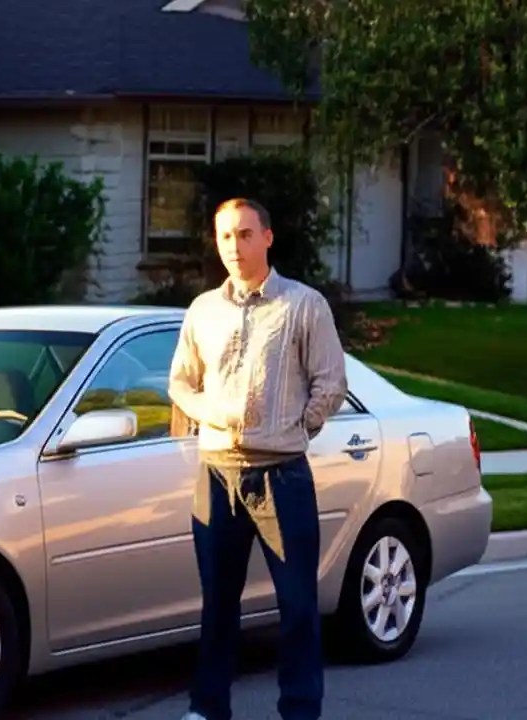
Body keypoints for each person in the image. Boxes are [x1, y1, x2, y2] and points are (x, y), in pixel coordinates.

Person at [169, 198, 348, 720]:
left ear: (267, 238)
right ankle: (207, 708)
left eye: (245, 234)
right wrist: (209, 412)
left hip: (282, 478)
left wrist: (296, 428)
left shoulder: (303, 305)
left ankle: (299, 710)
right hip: (217, 475)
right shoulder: (203, 309)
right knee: (217, 604)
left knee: (296, 607)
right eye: (226, 236)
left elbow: (331, 383)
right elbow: (179, 381)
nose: (234, 247)